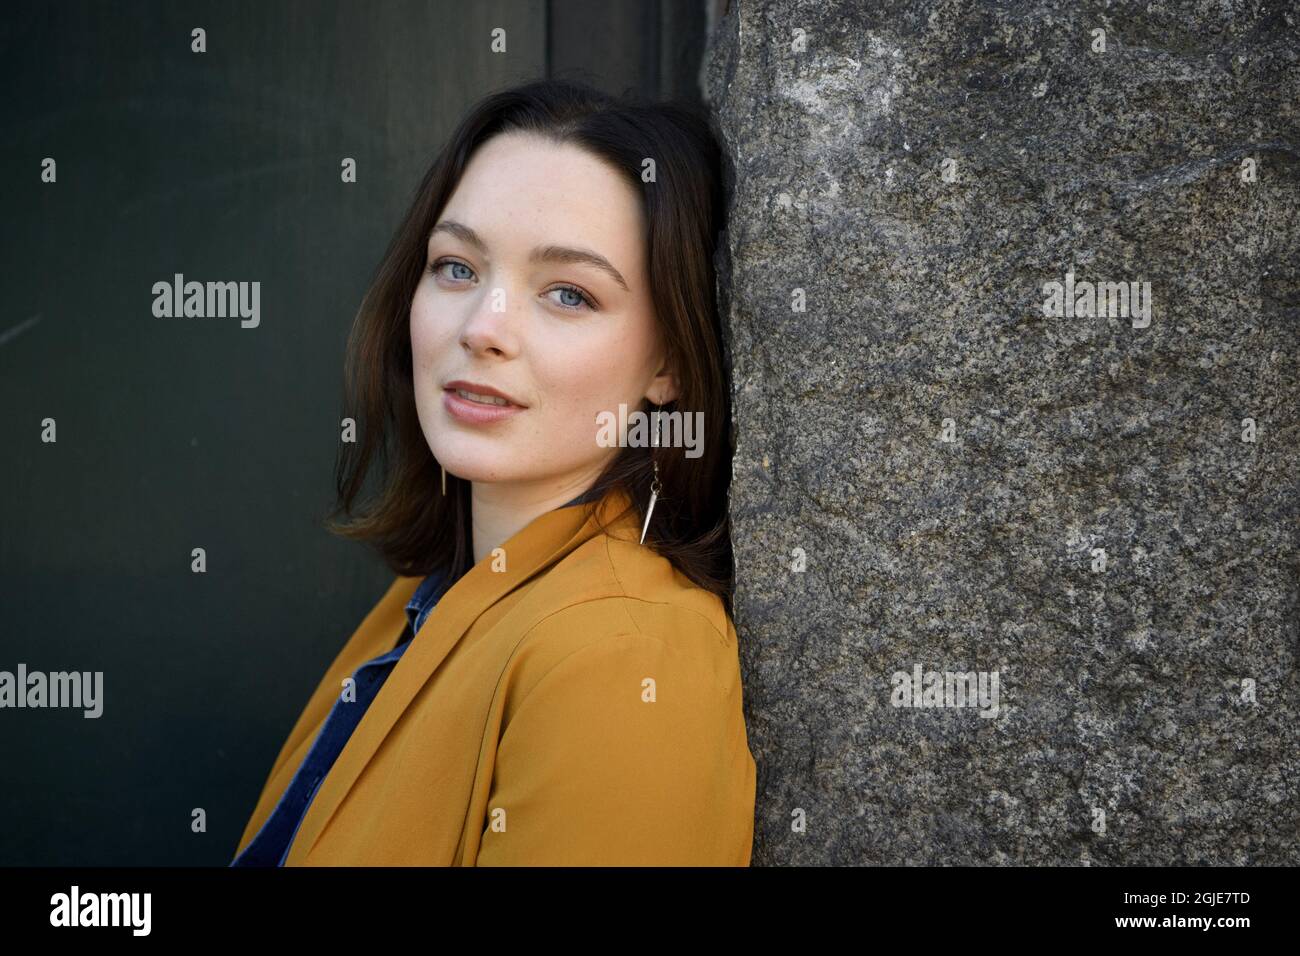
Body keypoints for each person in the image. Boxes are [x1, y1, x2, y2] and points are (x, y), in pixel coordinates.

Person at [230, 78, 755, 866]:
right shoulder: (436, 595)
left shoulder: (624, 656)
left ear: (670, 362)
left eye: (569, 294)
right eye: (457, 267)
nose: (483, 329)